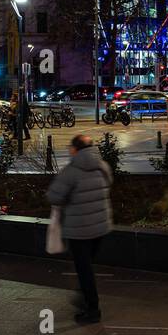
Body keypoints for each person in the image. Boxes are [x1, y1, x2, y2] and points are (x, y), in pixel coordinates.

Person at [46, 134, 112, 324]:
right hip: (101, 226)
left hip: (79, 230)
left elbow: (53, 196)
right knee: (87, 267)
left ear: (75, 149)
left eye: (70, 147)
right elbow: (108, 185)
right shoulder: (103, 166)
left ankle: (92, 309)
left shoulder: (71, 171)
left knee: (84, 270)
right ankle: (84, 297)